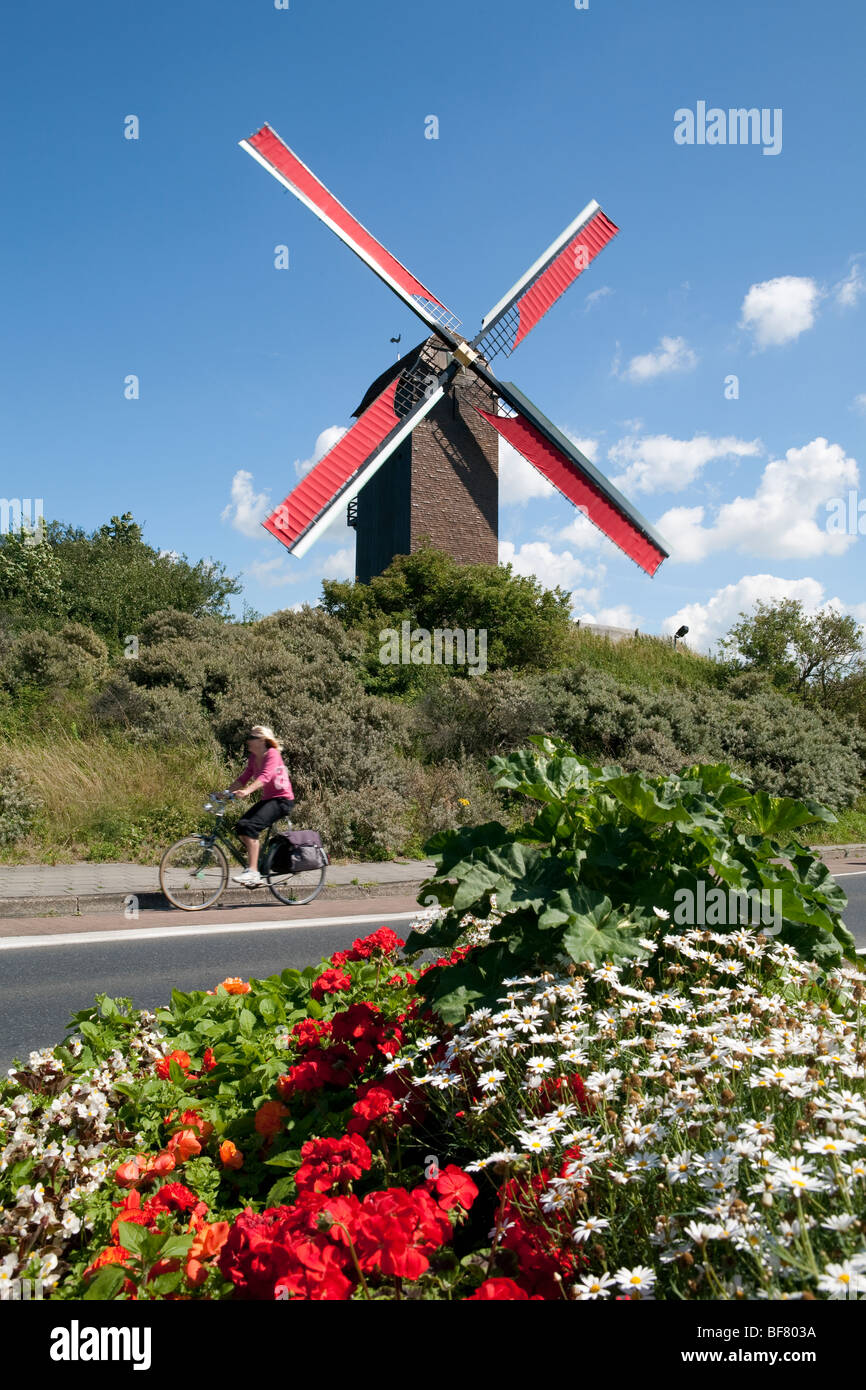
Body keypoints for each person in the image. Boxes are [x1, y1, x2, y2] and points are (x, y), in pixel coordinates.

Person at [226, 725, 295, 886]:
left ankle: (253, 872)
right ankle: (256, 865)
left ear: (262, 740)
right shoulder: (253, 757)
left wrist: (247, 791)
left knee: (251, 827)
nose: (248, 740)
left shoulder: (272, 754)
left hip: (282, 800)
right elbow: (243, 778)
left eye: (252, 737)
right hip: (269, 799)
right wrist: (224, 793)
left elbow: (265, 777)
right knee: (242, 826)